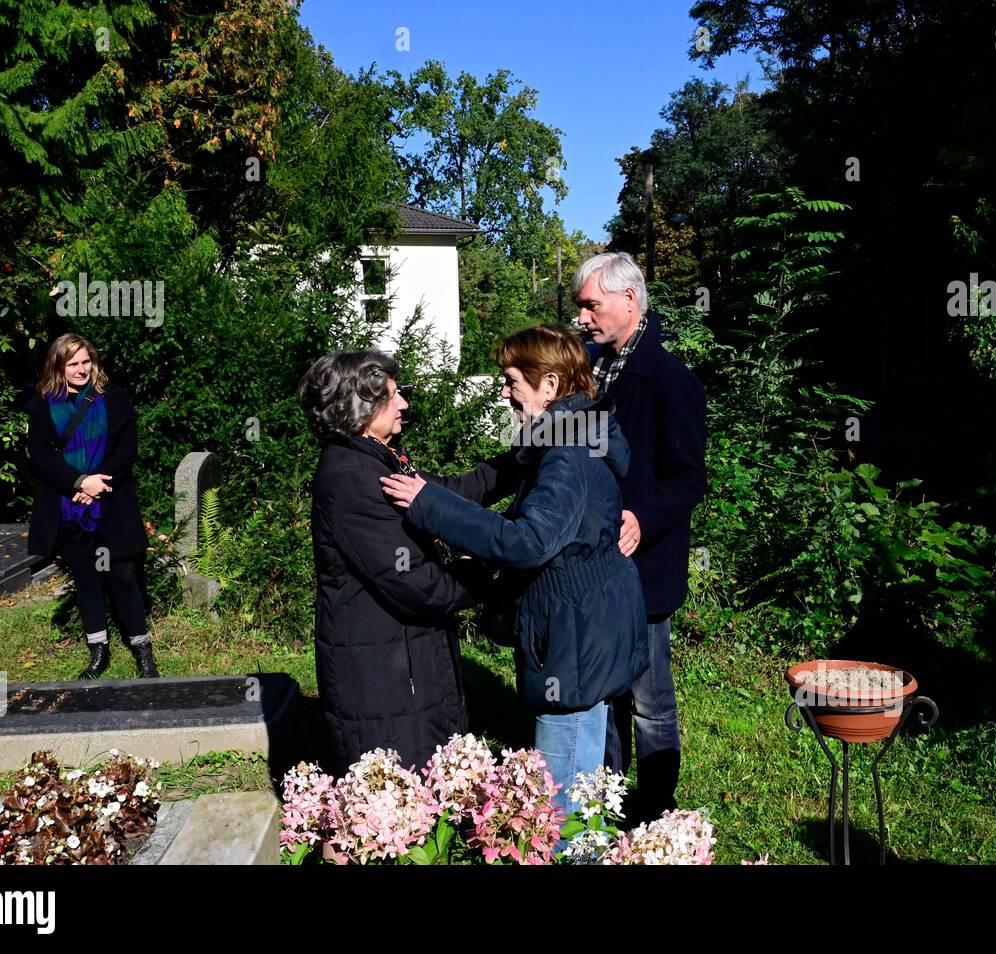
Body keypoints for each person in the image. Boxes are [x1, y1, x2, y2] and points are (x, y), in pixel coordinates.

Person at [381, 325, 648, 820]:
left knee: (559, 788)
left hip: (573, 630)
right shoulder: (574, 434)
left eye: (511, 381)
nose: (503, 393)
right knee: (588, 756)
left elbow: (529, 542)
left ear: (549, 385)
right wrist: (433, 491)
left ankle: (564, 849)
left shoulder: (566, 452)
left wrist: (428, 505)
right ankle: (589, 847)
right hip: (594, 620)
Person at [299, 351, 519, 775]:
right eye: (393, 396)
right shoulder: (354, 479)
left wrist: (520, 462)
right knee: (393, 797)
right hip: (385, 672)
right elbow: (416, 585)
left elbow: (449, 494)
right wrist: (484, 571)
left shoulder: (372, 458)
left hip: (398, 655)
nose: (403, 405)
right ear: (359, 408)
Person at [573, 251, 707, 824]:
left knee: (649, 700)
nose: (581, 318)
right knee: (604, 693)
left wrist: (642, 519)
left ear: (629, 301)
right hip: (595, 563)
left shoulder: (672, 380)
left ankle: (654, 813)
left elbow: (687, 480)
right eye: (580, 306)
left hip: (645, 565)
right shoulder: (590, 366)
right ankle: (606, 803)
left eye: (590, 304)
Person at [26, 333, 159, 680]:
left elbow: (127, 448)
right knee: (86, 578)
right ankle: (98, 653)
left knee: (123, 576)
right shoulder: (41, 406)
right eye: (73, 364)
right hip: (69, 505)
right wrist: (77, 482)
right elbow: (40, 458)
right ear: (58, 366)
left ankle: (144, 652)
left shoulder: (112, 398)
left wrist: (98, 483)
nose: (82, 369)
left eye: (86, 362)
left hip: (111, 502)